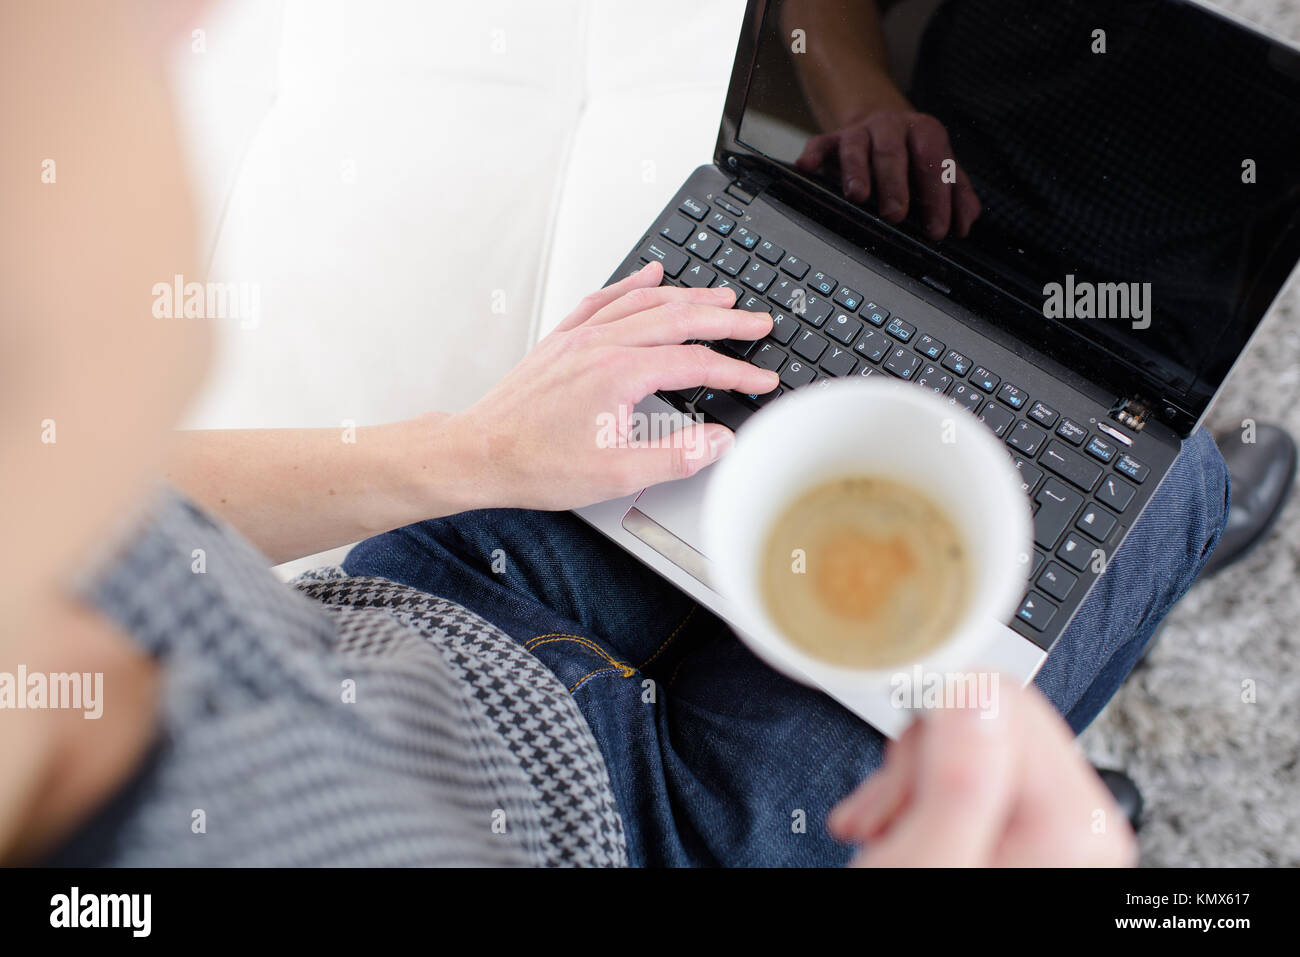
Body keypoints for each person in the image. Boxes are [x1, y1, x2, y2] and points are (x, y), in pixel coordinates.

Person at [2, 0, 1258, 868]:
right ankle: (1142, 560)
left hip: (446, 604)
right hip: (658, 837)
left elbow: (108, 490)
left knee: (947, 365)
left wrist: (471, 452)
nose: (191, 21)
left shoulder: (41, 505)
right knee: (1151, 475)